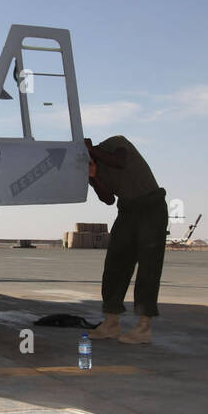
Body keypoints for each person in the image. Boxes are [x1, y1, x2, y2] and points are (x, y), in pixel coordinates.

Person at [86, 135, 167, 345]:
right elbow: (108, 199)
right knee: (115, 264)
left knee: (149, 266)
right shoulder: (90, 168)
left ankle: (143, 327)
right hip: (127, 210)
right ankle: (111, 322)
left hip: (152, 206)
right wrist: (93, 177)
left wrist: (92, 151)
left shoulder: (115, 143)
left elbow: (120, 161)